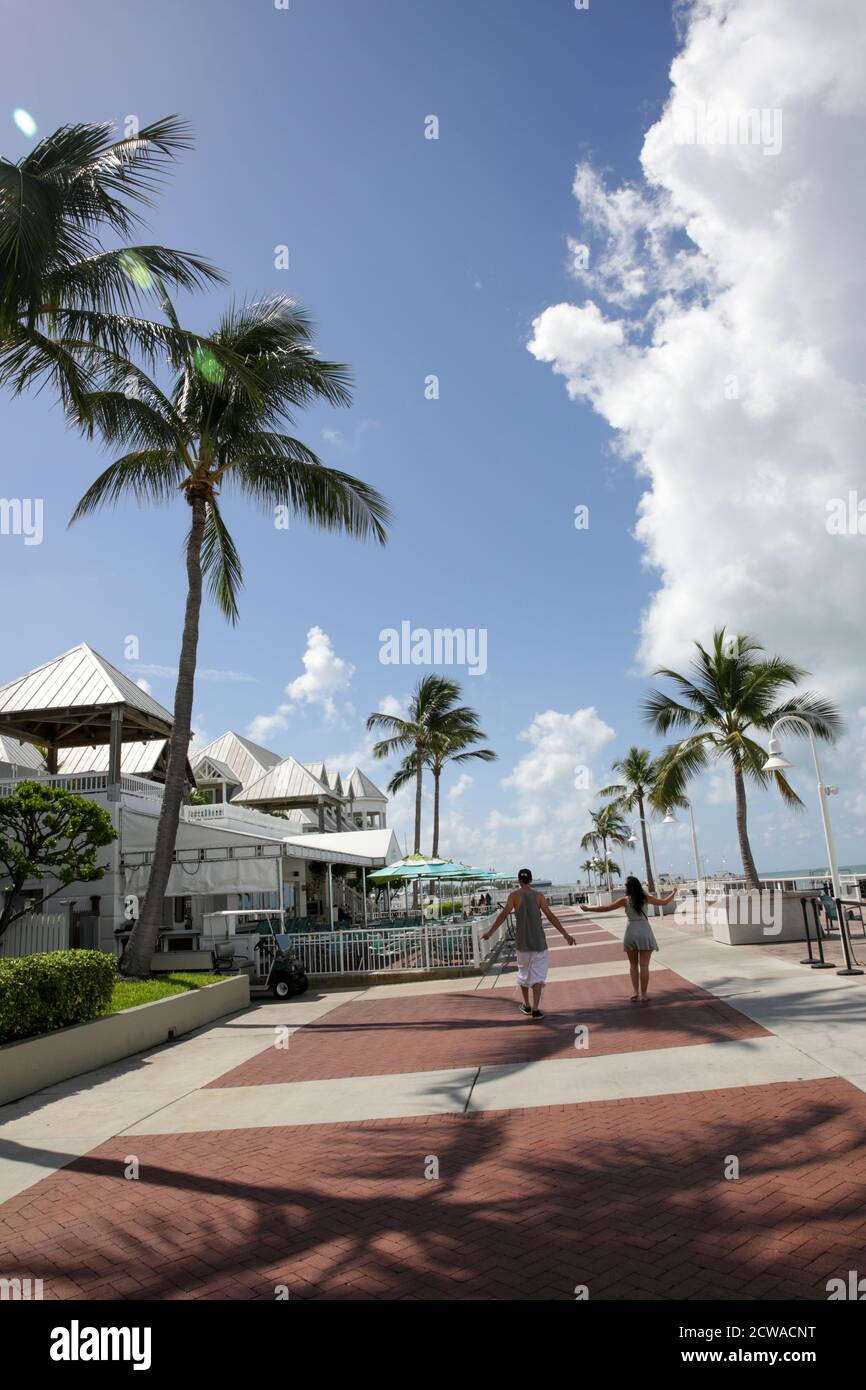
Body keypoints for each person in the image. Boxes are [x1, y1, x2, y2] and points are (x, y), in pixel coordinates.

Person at [482, 868, 576, 1019]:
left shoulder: (514, 896)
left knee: (524, 975)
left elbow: (503, 915)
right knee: (538, 977)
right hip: (539, 942)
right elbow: (550, 916)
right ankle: (536, 1009)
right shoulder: (539, 896)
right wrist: (565, 934)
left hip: (522, 943)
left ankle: (526, 1005)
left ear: (519, 880)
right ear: (531, 880)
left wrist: (490, 933)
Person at [580, 874, 676, 1003]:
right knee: (644, 965)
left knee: (633, 965)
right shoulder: (646, 898)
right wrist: (674, 892)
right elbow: (664, 902)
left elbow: (605, 908)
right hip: (644, 931)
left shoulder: (624, 900)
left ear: (627, 888)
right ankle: (644, 994)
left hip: (631, 931)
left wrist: (588, 909)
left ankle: (635, 993)